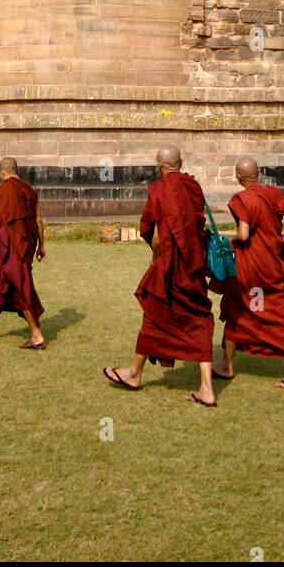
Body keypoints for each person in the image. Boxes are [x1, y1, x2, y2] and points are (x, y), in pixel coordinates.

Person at [103, 145, 216, 406]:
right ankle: (206, 388)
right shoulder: (193, 187)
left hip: (169, 265)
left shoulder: (159, 189)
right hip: (194, 264)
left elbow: (155, 235)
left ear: (158, 165)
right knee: (199, 318)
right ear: (182, 161)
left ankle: (134, 373)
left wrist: (155, 258)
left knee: (154, 314)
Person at [213, 156, 284, 390]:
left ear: (237, 176)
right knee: (265, 309)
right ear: (258, 174)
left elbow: (244, 235)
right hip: (273, 262)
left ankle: (229, 364)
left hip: (252, 265)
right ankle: (228, 363)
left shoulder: (244, 199)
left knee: (251, 309)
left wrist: (227, 240)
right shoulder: (272, 194)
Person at [0, 156, 46, 349]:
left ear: (2, 173)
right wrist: (42, 246)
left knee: (20, 289)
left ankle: (36, 335)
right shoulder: (30, 191)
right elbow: (38, 221)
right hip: (25, 246)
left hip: (10, 249)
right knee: (5, 286)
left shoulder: (3, 191)